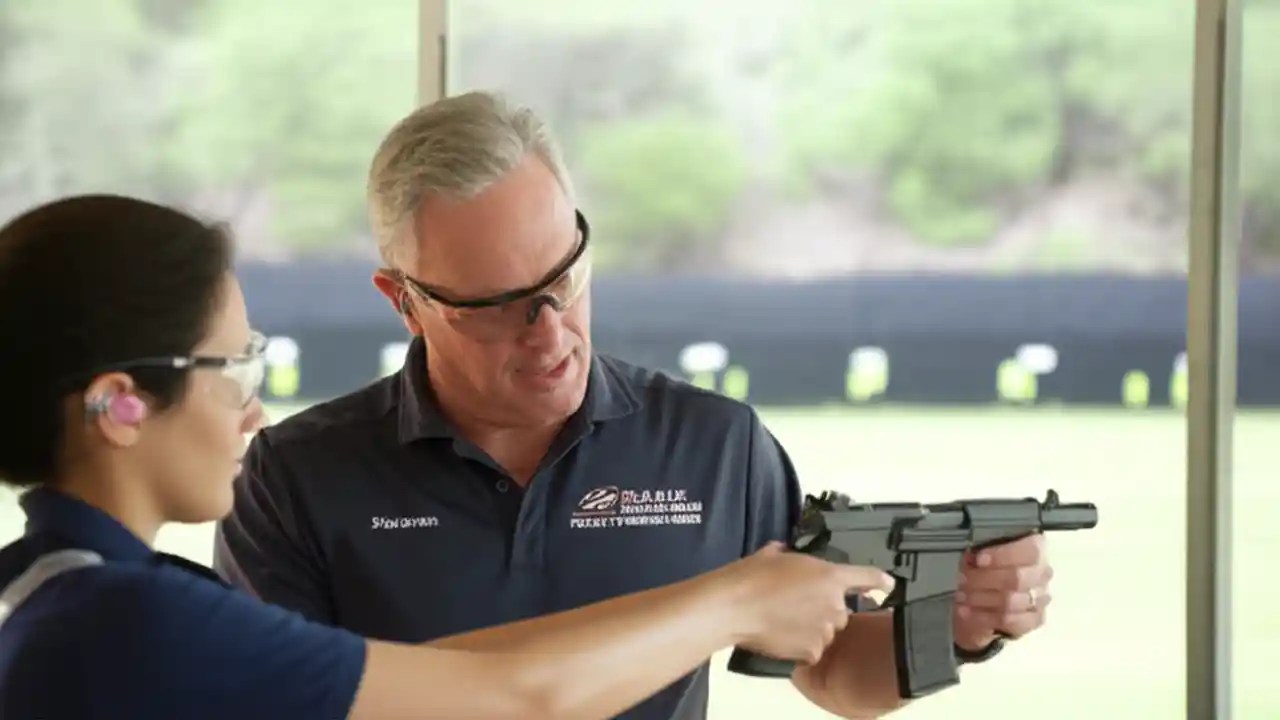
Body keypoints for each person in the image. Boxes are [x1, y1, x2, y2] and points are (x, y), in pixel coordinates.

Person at [214, 91, 1059, 719]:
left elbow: (833, 670)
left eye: (563, 279)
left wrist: (958, 626)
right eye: (496, 305)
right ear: (403, 300)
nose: (548, 335)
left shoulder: (714, 444)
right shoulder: (294, 478)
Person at [0, 194, 897, 720]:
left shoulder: (68, 587)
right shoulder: (126, 618)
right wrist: (733, 599)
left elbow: (461, 672)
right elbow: (515, 698)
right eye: (234, 365)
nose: (253, 404)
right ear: (119, 404)